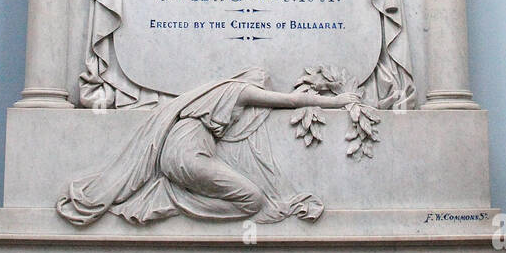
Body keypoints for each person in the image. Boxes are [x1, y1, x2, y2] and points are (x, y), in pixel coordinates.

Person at [56, 68, 357, 226]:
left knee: (250, 198)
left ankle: (171, 191)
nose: (264, 91)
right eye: (263, 86)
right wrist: (336, 101)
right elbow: (292, 101)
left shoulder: (211, 94)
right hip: (187, 155)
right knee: (252, 202)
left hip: (177, 151)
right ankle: (170, 196)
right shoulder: (239, 91)